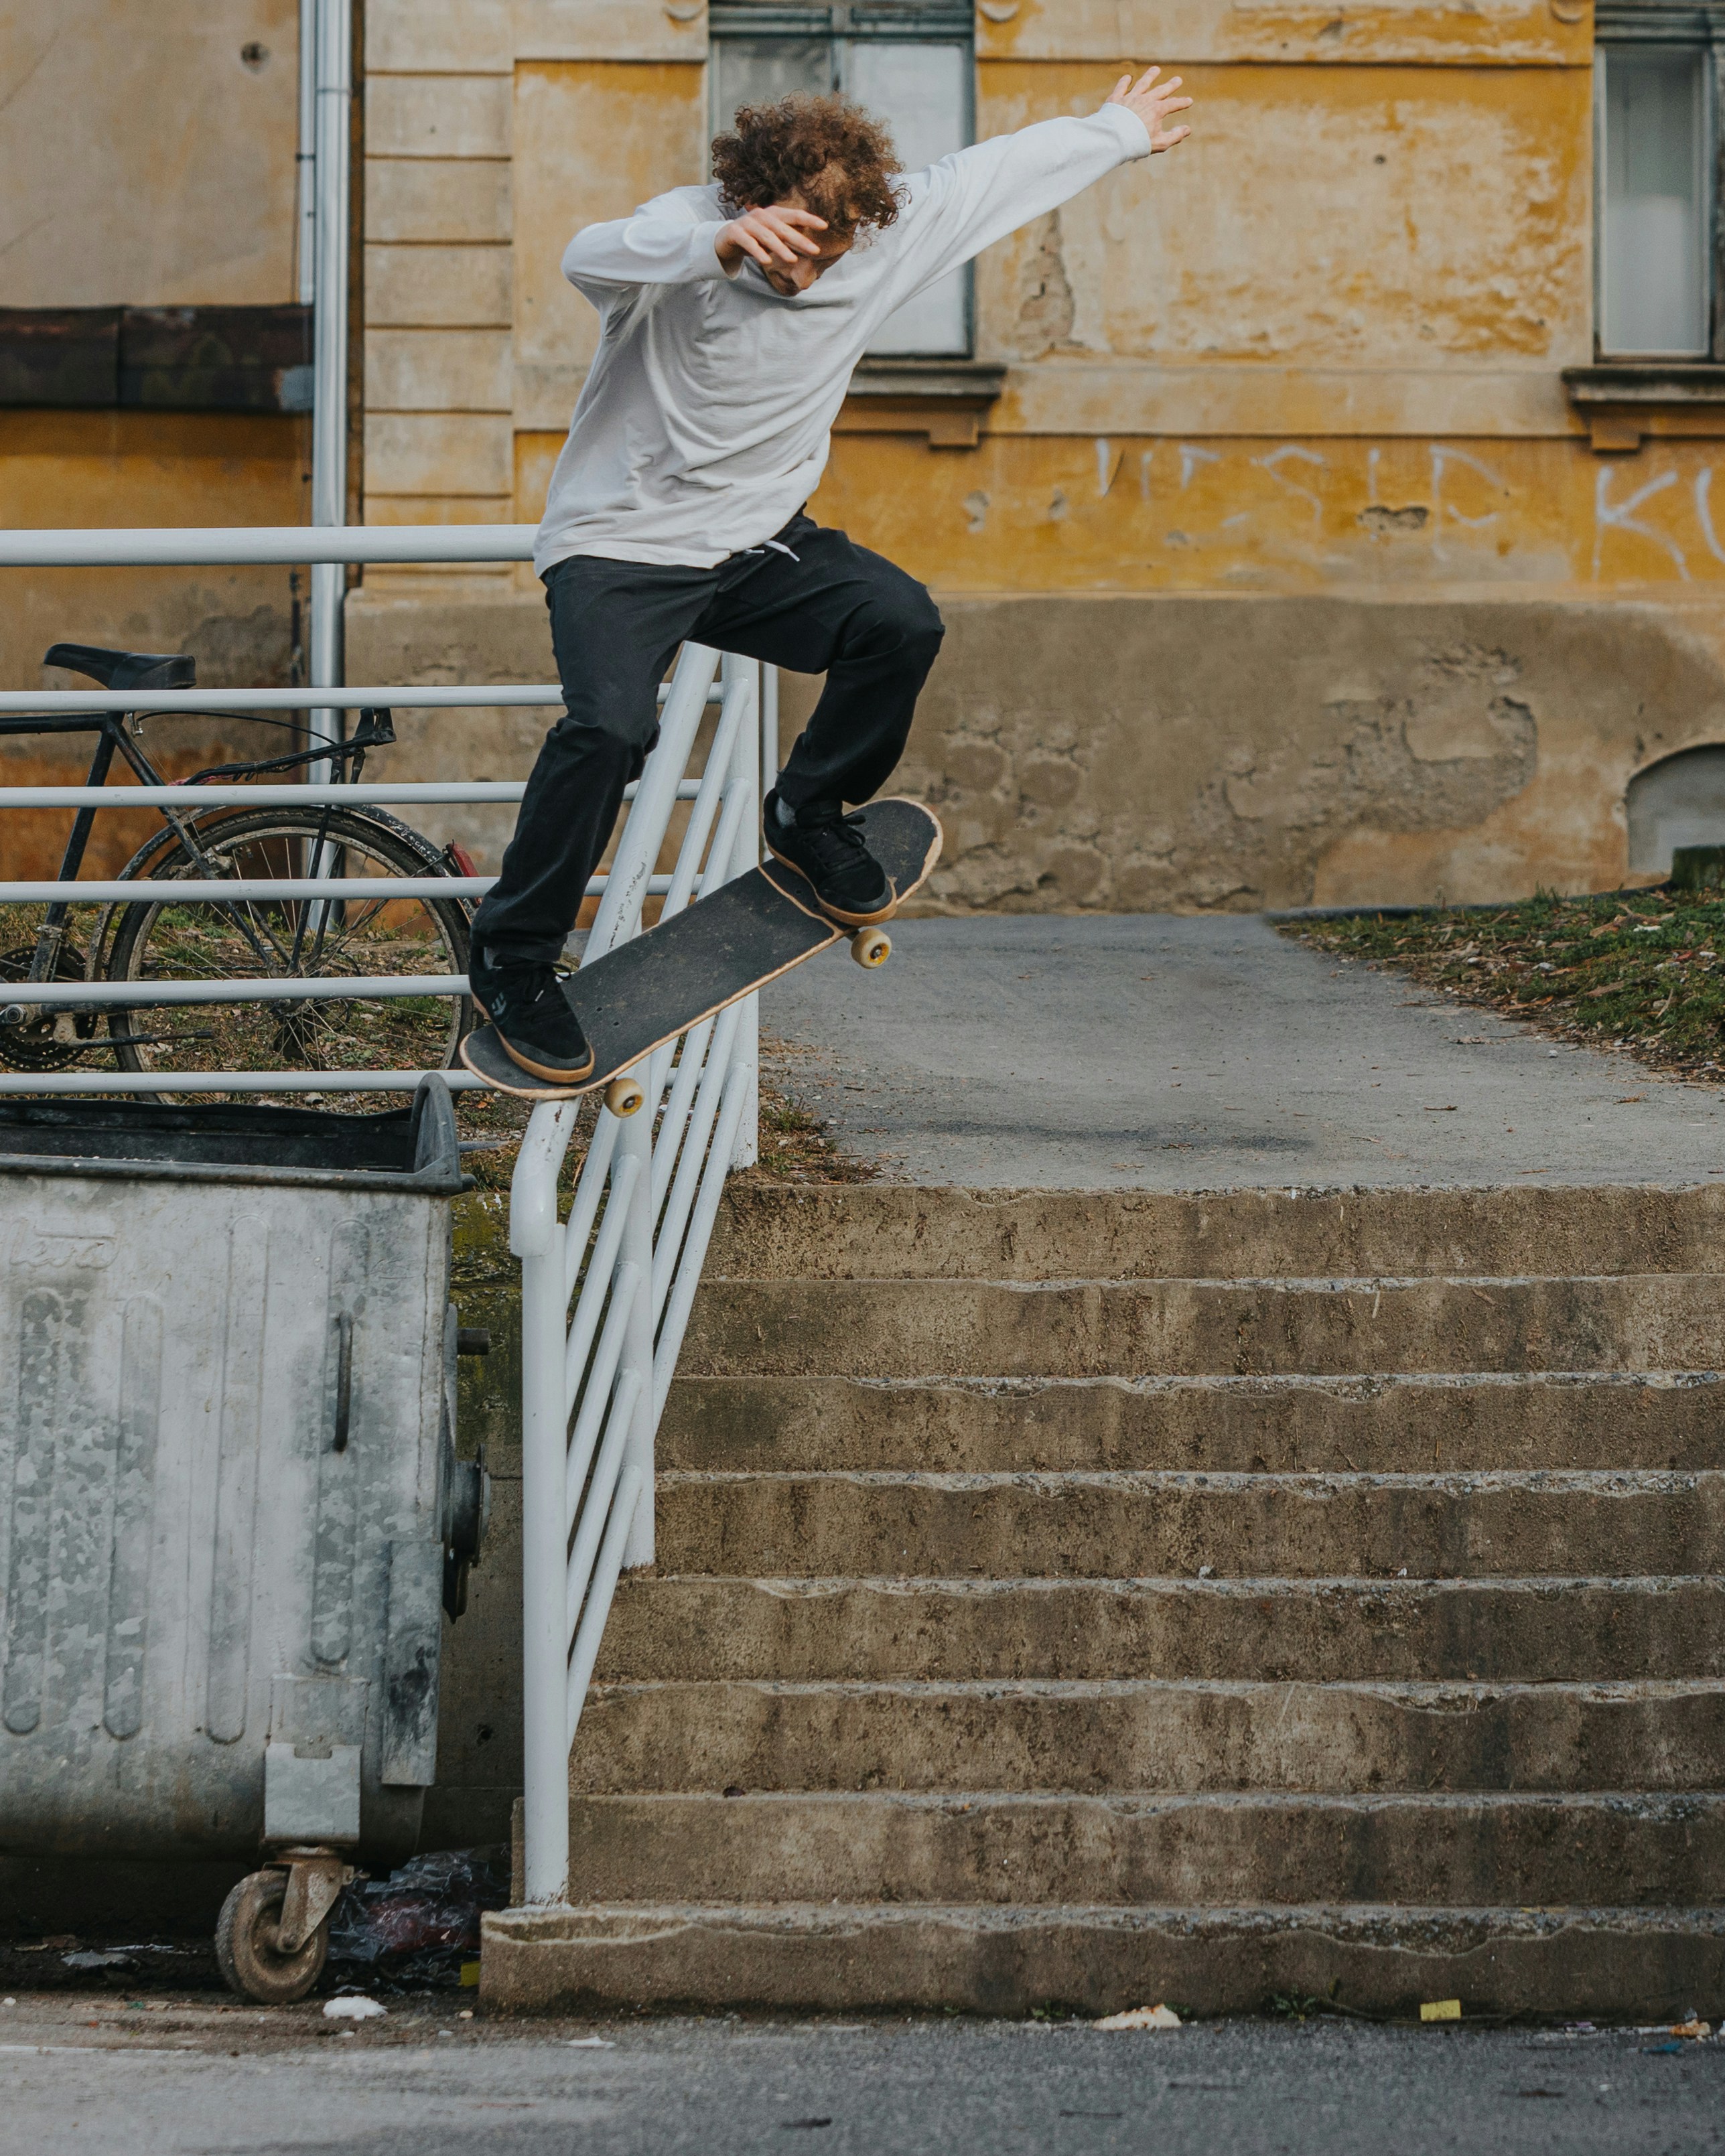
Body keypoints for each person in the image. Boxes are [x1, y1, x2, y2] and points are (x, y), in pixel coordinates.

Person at [464, 65, 1195, 1084]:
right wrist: (711, 246)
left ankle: (807, 812)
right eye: (792, 246)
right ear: (749, 205)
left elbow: (995, 173)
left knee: (898, 623)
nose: (809, 274)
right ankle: (513, 959)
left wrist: (1118, 129)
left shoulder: (884, 237)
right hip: (622, 546)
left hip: (758, 544)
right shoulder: (684, 232)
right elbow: (585, 254)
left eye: (834, 248)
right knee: (609, 730)